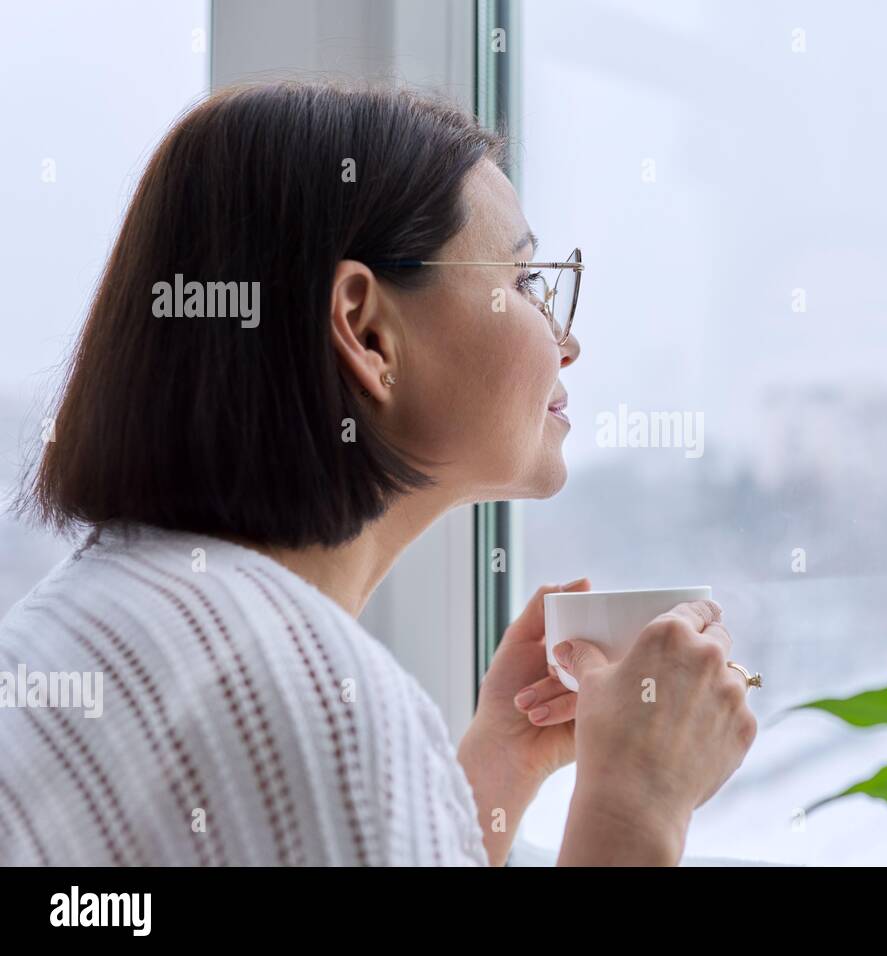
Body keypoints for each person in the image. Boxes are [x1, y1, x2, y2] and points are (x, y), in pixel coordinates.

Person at [0, 82, 756, 866]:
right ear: (367, 332)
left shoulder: (110, 618)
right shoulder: (301, 689)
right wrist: (639, 803)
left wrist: (497, 762)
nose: (566, 344)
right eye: (525, 283)